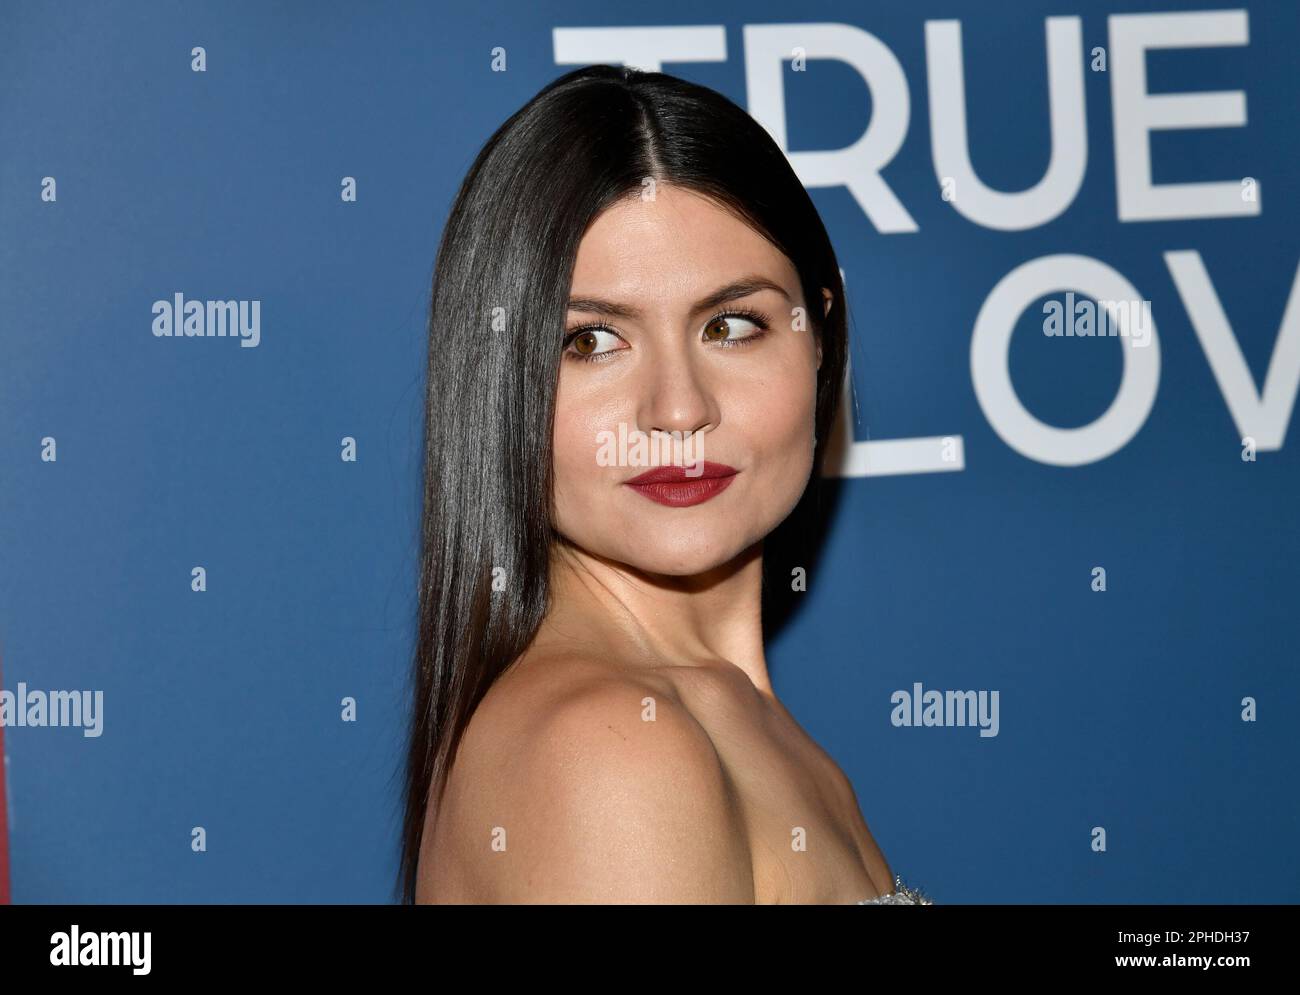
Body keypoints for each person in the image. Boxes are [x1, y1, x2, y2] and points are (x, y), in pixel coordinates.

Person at [400, 63, 930, 905]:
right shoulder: (612, 749)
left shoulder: (731, 720)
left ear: (820, 337)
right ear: (498, 380)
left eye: (731, 325)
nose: (678, 410)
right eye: (593, 342)